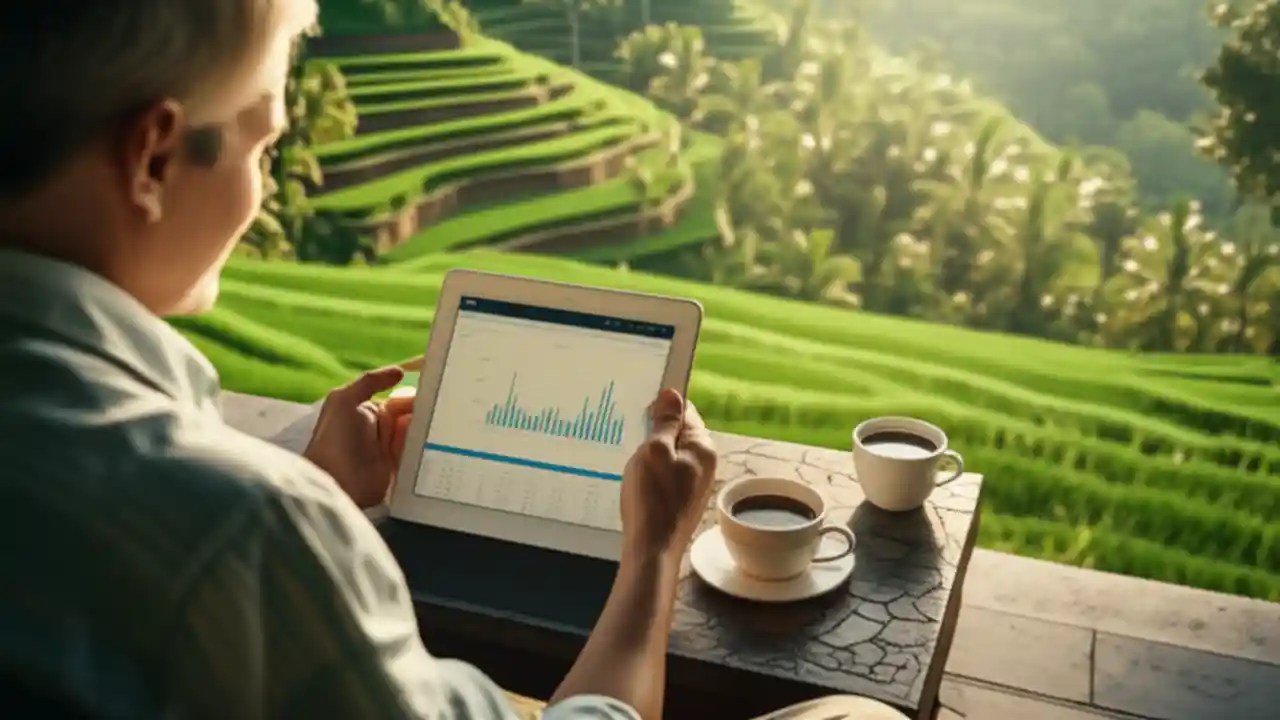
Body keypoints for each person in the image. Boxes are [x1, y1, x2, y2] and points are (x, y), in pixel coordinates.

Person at [0, 2, 906, 719]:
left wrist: (314, 484)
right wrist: (655, 554)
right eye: (263, 140)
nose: (264, 184)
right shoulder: (246, 536)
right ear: (153, 157)